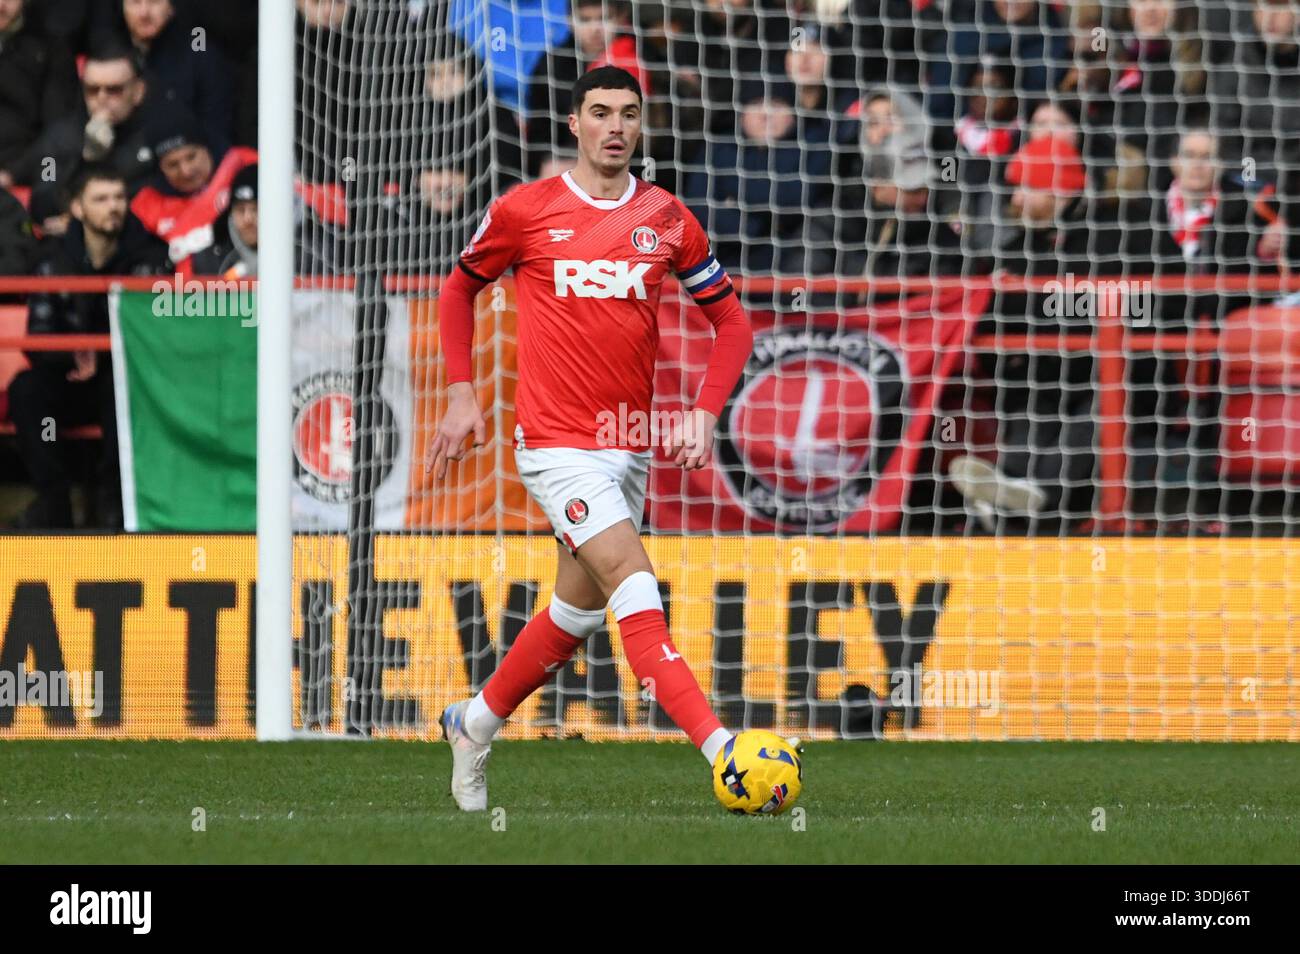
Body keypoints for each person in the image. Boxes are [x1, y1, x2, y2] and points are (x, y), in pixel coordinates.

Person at [429, 66, 753, 811]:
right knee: (636, 583)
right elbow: (458, 288)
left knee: (575, 613)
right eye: (600, 112)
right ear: (573, 124)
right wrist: (459, 392)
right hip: (554, 444)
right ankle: (723, 751)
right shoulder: (526, 210)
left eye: (629, 114)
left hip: (626, 445)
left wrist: (704, 410)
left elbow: (731, 322)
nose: (615, 126)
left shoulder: (666, 218)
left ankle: (473, 722)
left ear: (641, 125)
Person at [10, 166, 167, 528]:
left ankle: (115, 504)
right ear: (77, 209)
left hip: (125, 375)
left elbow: (157, 335)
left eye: (118, 198)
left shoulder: (151, 258)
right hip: (67, 377)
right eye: (101, 199)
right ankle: (55, 501)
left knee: (122, 392)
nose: (113, 207)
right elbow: (39, 335)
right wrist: (72, 354)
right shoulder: (52, 261)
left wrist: (105, 355)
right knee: (27, 390)